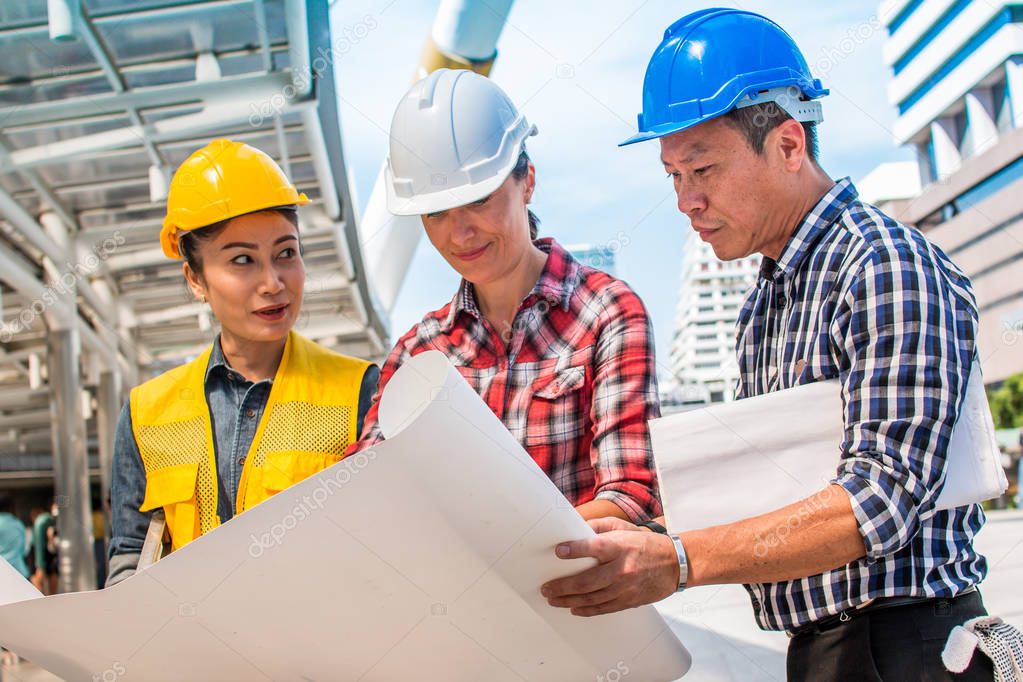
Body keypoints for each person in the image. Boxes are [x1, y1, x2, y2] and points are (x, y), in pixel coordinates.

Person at [542, 9, 996, 680]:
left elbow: (880, 498)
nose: (685, 201)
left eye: (702, 169)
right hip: (829, 648)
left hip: (906, 647)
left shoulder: (882, 266)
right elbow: (770, 489)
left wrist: (681, 561)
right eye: (673, 176)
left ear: (788, 145)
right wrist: (649, 537)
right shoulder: (767, 300)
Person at [349, 69, 661, 523]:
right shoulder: (418, 352)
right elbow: (366, 498)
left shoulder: (606, 314)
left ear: (527, 181)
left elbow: (631, 496)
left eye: (478, 201)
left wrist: (501, 550)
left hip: (574, 575)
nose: (460, 233)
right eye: (436, 213)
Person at [107, 139, 379, 586]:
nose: (272, 282)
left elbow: (383, 544)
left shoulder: (360, 391)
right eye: (242, 260)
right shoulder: (145, 414)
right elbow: (130, 561)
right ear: (195, 279)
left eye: (286, 253)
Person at [30, 501, 57, 595]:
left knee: (36, 580)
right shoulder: (50, 520)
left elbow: (39, 543)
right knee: (52, 574)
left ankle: (41, 599)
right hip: (50, 553)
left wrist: (40, 564)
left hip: (39, 553)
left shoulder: (41, 521)